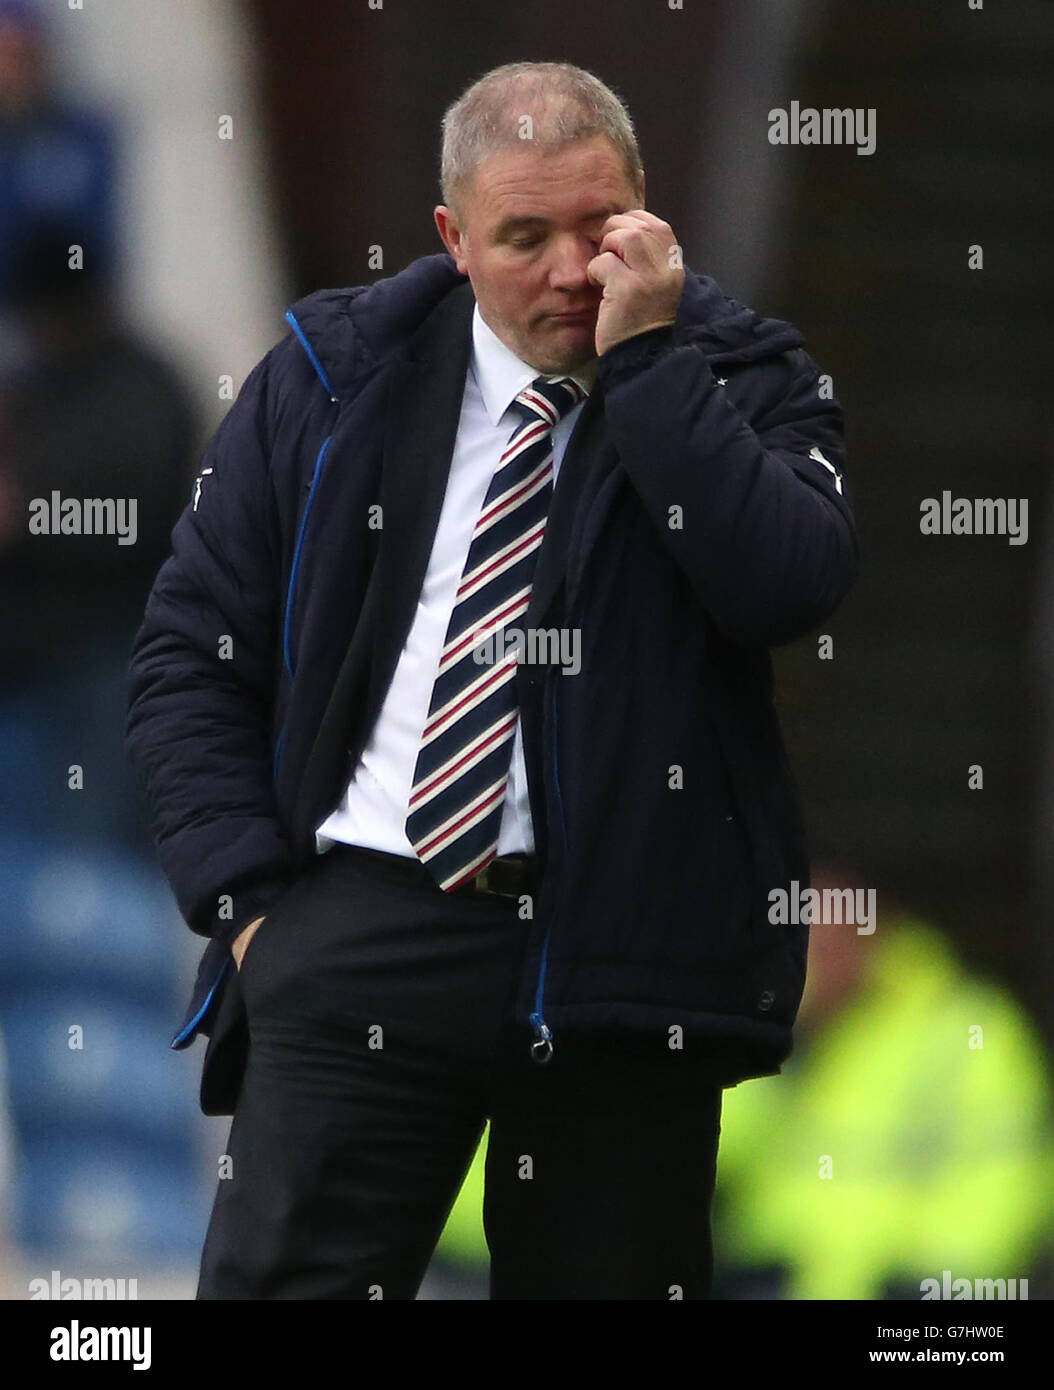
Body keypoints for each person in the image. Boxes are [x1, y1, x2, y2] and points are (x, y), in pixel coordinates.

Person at [125, 60, 858, 1301]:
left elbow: (787, 584)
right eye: (526, 237)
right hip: (362, 925)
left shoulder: (743, 374)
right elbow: (191, 654)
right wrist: (249, 908)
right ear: (453, 238)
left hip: (629, 953)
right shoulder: (328, 371)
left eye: (600, 226)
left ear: (648, 205)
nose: (574, 270)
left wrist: (650, 373)